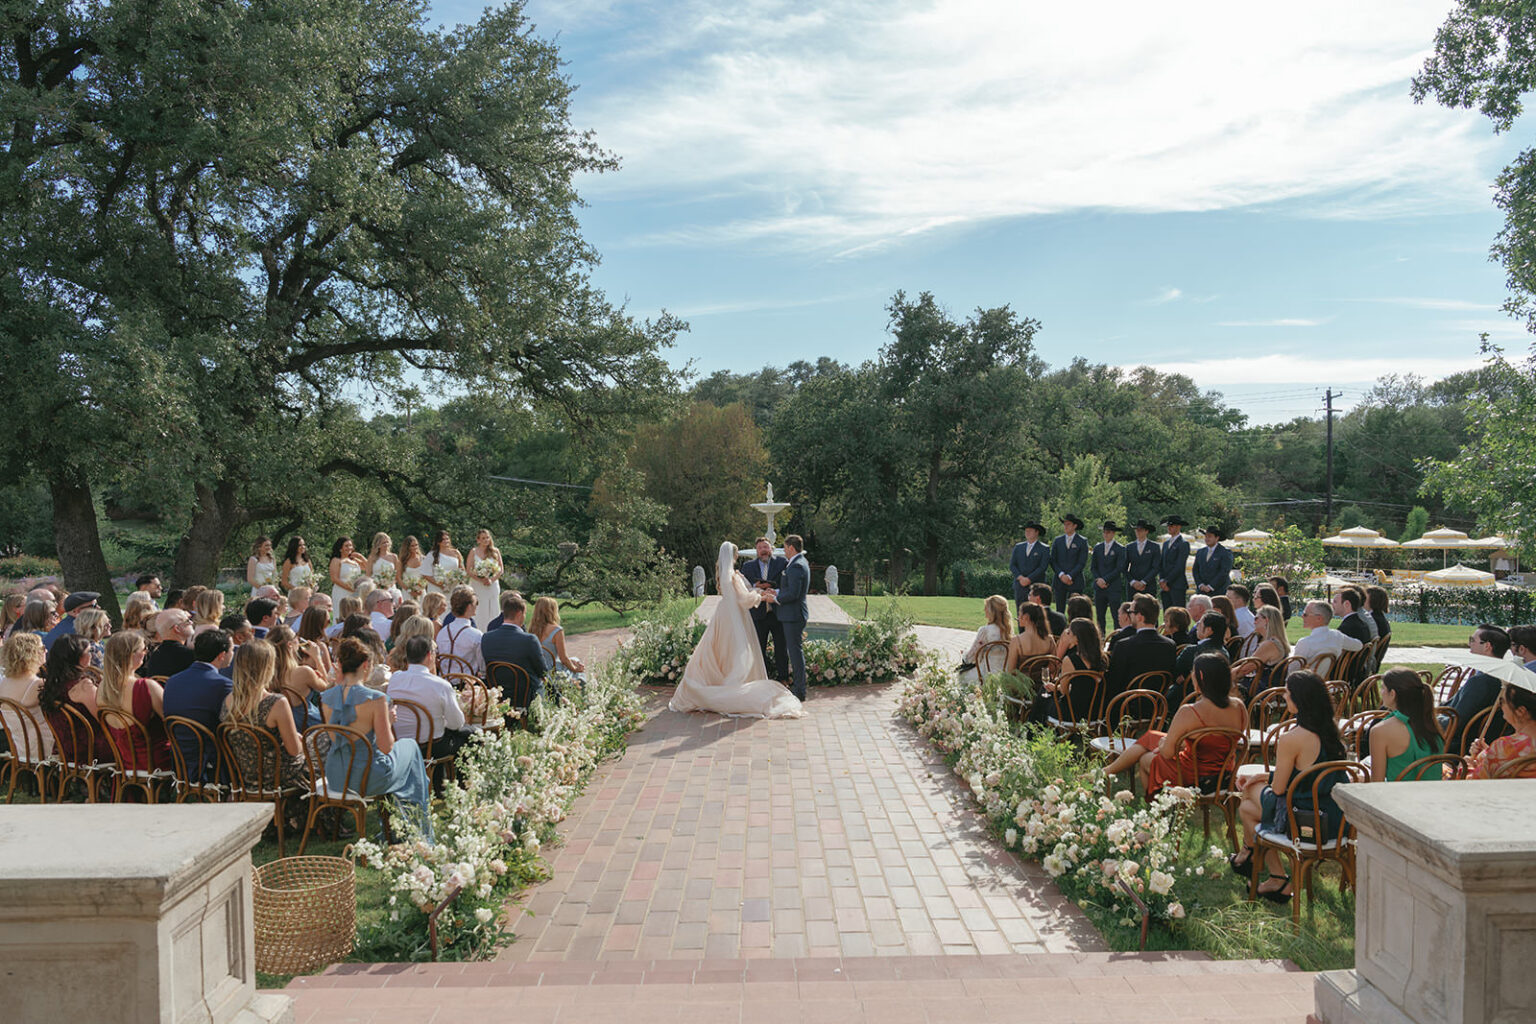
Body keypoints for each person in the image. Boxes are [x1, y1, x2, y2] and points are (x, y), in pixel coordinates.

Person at [1233, 671, 1349, 901]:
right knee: (1246, 809)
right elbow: (1303, 775)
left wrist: (1255, 783)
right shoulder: (1331, 731)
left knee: (1247, 796)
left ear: (1299, 699)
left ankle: (1252, 857)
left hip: (1307, 823)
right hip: (1338, 819)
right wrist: (1261, 776)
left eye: (1287, 692)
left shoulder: (1292, 738)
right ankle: (1274, 877)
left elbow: (1278, 790)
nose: (1284, 695)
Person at [671, 542, 806, 718]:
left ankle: (719, 681)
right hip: (735, 615)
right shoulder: (734, 575)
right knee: (738, 649)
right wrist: (760, 595)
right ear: (734, 556)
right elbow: (744, 599)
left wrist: (756, 590)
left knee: (721, 648)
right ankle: (734, 684)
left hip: (723, 614)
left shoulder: (724, 574)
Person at [321, 637, 434, 841]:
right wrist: (388, 722)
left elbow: (338, 737)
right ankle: (414, 827)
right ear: (366, 665)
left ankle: (397, 825)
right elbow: (386, 746)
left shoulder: (325, 698)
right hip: (367, 778)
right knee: (410, 747)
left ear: (340, 665)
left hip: (338, 776)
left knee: (409, 758)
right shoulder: (376, 699)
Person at [1106, 653, 1246, 797]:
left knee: (1145, 759)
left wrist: (1162, 745)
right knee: (1150, 736)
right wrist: (1181, 744)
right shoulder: (1240, 706)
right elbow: (1218, 740)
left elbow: (1167, 753)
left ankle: (1157, 810)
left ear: (1201, 677)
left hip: (1195, 775)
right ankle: (1108, 770)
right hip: (1225, 773)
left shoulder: (1189, 711)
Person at [220, 638, 309, 791]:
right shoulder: (277, 703)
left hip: (245, 778)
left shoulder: (229, 700)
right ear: (268, 667)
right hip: (278, 781)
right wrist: (300, 741)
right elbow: (294, 750)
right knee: (322, 744)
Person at [163, 630, 235, 780]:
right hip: (212, 760)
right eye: (232, 650)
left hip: (180, 757)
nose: (233, 654)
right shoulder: (224, 686)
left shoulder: (173, 681)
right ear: (222, 655)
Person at [96, 631, 171, 771]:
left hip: (125, 762)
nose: (146, 652)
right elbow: (172, 722)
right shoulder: (145, 687)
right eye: (143, 649)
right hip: (156, 760)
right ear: (131, 654)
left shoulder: (103, 687)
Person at [388, 635, 472, 756]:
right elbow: (456, 723)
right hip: (430, 747)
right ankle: (455, 774)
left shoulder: (395, 678)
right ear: (429, 656)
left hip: (400, 743)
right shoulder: (441, 685)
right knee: (473, 735)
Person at [39, 635, 112, 764]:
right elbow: (105, 718)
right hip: (92, 751)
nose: (91, 654)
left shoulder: (52, 686)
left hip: (65, 749)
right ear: (78, 658)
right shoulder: (83, 686)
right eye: (88, 651)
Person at [1443, 625, 1511, 751]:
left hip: (1459, 747)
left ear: (1487, 646)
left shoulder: (1481, 682)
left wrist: (1427, 720)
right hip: (1481, 742)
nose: (1470, 644)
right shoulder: (1506, 679)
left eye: (1472, 640)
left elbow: (1455, 722)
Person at [1370, 668, 1443, 781]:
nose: (1381, 692)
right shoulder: (1430, 723)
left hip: (1398, 796)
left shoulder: (1380, 731)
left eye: (1383, 688)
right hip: (1433, 795)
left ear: (1392, 694)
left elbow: (1376, 783)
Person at [1105, 594, 1176, 703]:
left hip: (1126, 708)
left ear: (1139, 617)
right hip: (1157, 706)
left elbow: (1113, 683)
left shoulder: (1124, 645)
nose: (1130, 615)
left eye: (1131, 612)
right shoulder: (1170, 645)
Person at [480, 591, 548, 703]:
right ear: (519, 614)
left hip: (497, 694)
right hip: (524, 696)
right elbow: (542, 672)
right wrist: (558, 696)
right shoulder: (529, 639)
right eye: (525, 614)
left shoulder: (486, 638)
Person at [740, 537, 788, 683]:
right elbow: (743, 589)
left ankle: (783, 678)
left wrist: (775, 590)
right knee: (758, 648)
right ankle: (762, 678)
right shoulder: (747, 567)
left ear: (771, 549)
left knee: (781, 647)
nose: (763, 550)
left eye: (766, 547)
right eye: (760, 548)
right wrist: (757, 587)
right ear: (756, 551)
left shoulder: (782, 563)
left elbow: (786, 584)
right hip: (758, 613)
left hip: (777, 612)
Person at [771, 535, 812, 703]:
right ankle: (798, 688)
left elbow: (794, 594)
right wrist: (777, 592)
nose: (784, 551)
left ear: (791, 548)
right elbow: (790, 589)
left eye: (785, 548)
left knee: (795, 654)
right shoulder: (799, 562)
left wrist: (774, 599)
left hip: (793, 615)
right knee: (795, 652)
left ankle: (799, 691)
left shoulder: (796, 565)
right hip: (793, 614)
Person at [1466, 682, 1536, 779]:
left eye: (1502, 701)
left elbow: (1475, 782)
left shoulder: (1504, 747)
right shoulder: (1502, 750)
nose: (1500, 706)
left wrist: (1468, 766)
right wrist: (1487, 753)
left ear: (1520, 711)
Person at [0, 632, 52, 758]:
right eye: (42, 648)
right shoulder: (37, 685)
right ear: (31, 653)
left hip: (19, 748)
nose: (46, 650)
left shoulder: (4, 682)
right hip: (43, 748)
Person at [1291, 600, 1364, 670]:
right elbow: (1359, 645)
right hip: (1327, 681)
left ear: (1319, 618)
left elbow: (1291, 671)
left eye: (1305, 614)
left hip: (1307, 681)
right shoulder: (1337, 636)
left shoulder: (1305, 643)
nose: (1302, 617)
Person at [528, 596, 586, 684]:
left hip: (535, 671)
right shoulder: (557, 630)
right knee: (580, 675)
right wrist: (575, 669)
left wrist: (572, 661)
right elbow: (563, 659)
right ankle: (584, 695)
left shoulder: (531, 630)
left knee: (574, 659)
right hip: (551, 672)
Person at [1237, 605, 1291, 697]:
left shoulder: (1269, 644)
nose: (1254, 622)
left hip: (1262, 692)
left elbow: (1245, 669)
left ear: (1266, 620)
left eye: (1256, 618)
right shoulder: (1276, 641)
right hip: (1270, 690)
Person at [959, 595, 1012, 685]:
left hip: (986, 674)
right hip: (1005, 673)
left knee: (961, 674)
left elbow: (971, 657)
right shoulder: (1007, 631)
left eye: (986, 607)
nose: (984, 610)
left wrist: (964, 654)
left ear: (992, 611)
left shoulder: (985, 630)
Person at [1175, 612, 1228, 696]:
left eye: (1199, 623)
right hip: (1217, 696)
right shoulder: (1224, 653)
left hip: (1189, 696)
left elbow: (1174, 672)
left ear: (1208, 630)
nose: (1197, 626)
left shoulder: (1192, 651)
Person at [437, 587, 484, 675]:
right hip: (467, 683)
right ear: (469, 607)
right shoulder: (476, 635)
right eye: (476, 603)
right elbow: (482, 666)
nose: (477, 606)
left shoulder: (442, 632)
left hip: (444, 679)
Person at [1090, 521, 1126, 634]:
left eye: (1108, 532)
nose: (1106, 534)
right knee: (1100, 616)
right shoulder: (1098, 547)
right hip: (1100, 587)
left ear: (1113, 533)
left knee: (1116, 615)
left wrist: (1106, 579)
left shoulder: (1120, 548)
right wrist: (1098, 579)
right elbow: (1093, 567)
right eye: (1104, 532)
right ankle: (1101, 638)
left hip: (1113, 586)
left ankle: (1116, 637)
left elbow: (1119, 568)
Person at [1049, 514, 1089, 614]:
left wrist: (1070, 576)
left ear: (1074, 526)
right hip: (1059, 580)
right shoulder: (1058, 541)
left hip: (1075, 580)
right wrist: (1061, 575)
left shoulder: (1082, 541)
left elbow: (1082, 562)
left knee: (1076, 610)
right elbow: (1053, 560)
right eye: (1064, 524)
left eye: (1068, 524)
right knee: (1059, 611)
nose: (1065, 526)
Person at [466, 529, 504, 631]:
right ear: (478, 540)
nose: (486, 540)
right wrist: (480, 579)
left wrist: (491, 579)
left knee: (493, 608)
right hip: (478, 585)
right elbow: (469, 570)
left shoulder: (495, 551)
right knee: (480, 609)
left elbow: (500, 570)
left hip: (492, 585)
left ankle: (494, 631)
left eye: (487, 537)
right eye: (483, 538)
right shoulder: (473, 552)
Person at [143, 608, 198, 678]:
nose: (191, 622)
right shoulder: (189, 656)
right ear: (177, 629)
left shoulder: (155, 656)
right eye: (187, 621)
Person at [1009, 522, 1048, 611]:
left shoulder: (1044, 548)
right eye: (1026, 531)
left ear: (1036, 532)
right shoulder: (1018, 547)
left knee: (1035, 613)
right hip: (1020, 585)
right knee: (1021, 613)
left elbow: (1042, 567)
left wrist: (1029, 579)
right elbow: (1012, 565)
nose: (1027, 533)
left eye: (1030, 531)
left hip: (1036, 586)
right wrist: (1020, 577)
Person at [1005, 603, 1055, 672]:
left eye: (1019, 614)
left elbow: (1011, 671)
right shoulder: (1049, 639)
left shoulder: (1017, 641)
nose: (1018, 617)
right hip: (1044, 681)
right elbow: (1053, 667)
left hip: (1022, 682)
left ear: (1026, 617)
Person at [1159, 516, 1191, 610]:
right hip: (1165, 585)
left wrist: (1167, 581)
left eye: (1172, 525)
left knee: (1178, 614)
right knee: (1167, 613)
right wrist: (1161, 580)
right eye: (1168, 525)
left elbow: (1179, 566)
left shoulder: (1183, 543)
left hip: (1177, 585)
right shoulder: (1165, 544)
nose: (1169, 527)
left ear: (1178, 527)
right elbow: (1162, 564)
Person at [1192, 526, 1234, 598]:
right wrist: (1200, 585)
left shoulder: (1225, 552)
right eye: (1206, 536)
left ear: (1217, 538)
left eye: (1210, 536)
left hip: (1219, 591)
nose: (1207, 539)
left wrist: (1211, 586)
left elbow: (1224, 572)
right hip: (1202, 592)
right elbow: (1195, 570)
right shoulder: (1200, 552)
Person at [1124, 520, 1160, 602]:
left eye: (1140, 530)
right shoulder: (1129, 547)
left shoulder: (1154, 547)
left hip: (1148, 585)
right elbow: (1124, 567)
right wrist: (1132, 582)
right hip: (1133, 586)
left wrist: (1144, 582)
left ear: (1146, 531)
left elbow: (1156, 567)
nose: (1138, 532)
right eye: (1136, 530)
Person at [424, 529, 463, 598]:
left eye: (447, 539)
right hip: (437, 588)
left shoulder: (456, 553)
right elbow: (426, 575)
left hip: (453, 587)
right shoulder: (431, 555)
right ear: (438, 542)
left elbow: (461, 569)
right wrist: (441, 585)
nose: (446, 541)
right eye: (443, 539)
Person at [329, 536, 368, 604]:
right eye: (346, 546)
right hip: (341, 591)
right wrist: (350, 588)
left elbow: (368, 567)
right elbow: (334, 578)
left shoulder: (354, 560)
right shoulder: (336, 560)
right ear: (340, 548)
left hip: (355, 591)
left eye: (350, 545)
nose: (349, 548)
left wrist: (361, 557)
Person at [399, 535, 427, 600]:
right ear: (407, 547)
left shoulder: (423, 559)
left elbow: (426, 576)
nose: (415, 547)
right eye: (412, 546)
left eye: (416, 545)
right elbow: (398, 578)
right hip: (407, 592)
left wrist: (421, 587)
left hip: (421, 592)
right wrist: (409, 591)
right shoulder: (402, 560)